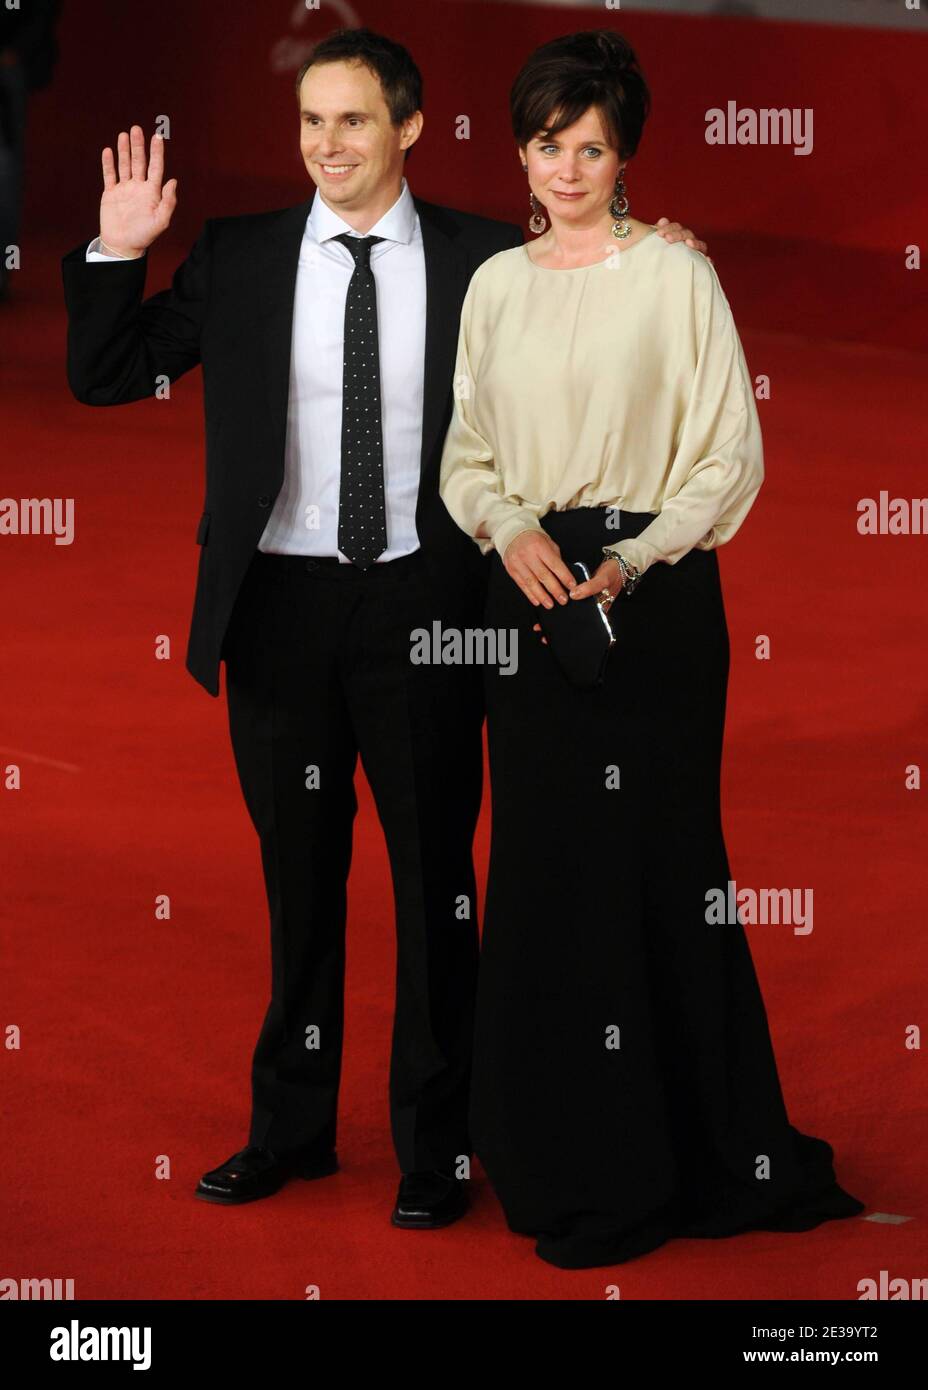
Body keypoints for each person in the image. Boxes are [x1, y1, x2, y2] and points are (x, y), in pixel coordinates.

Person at [62, 27, 704, 1230]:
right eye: (310, 121)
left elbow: (586, 315)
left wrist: (647, 244)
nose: (326, 145)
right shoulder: (243, 256)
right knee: (297, 883)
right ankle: (289, 1132)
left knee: (432, 890)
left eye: (353, 120)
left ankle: (435, 1145)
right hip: (279, 607)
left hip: (429, 605)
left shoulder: (480, 260)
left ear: (408, 127)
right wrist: (117, 250)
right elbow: (108, 373)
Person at [439, 28, 865, 1268]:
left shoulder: (677, 276)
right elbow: (466, 451)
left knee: (660, 859)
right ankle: (560, 1154)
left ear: (623, 157)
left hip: (658, 595)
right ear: (520, 152)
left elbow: (728, 452)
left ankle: (688, 1151)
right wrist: (510, 531)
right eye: (542, 145)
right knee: (544, 868)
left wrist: (630, 560)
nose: (562, 170)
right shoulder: (495, 286)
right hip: (526, 594)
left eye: (587, 148)